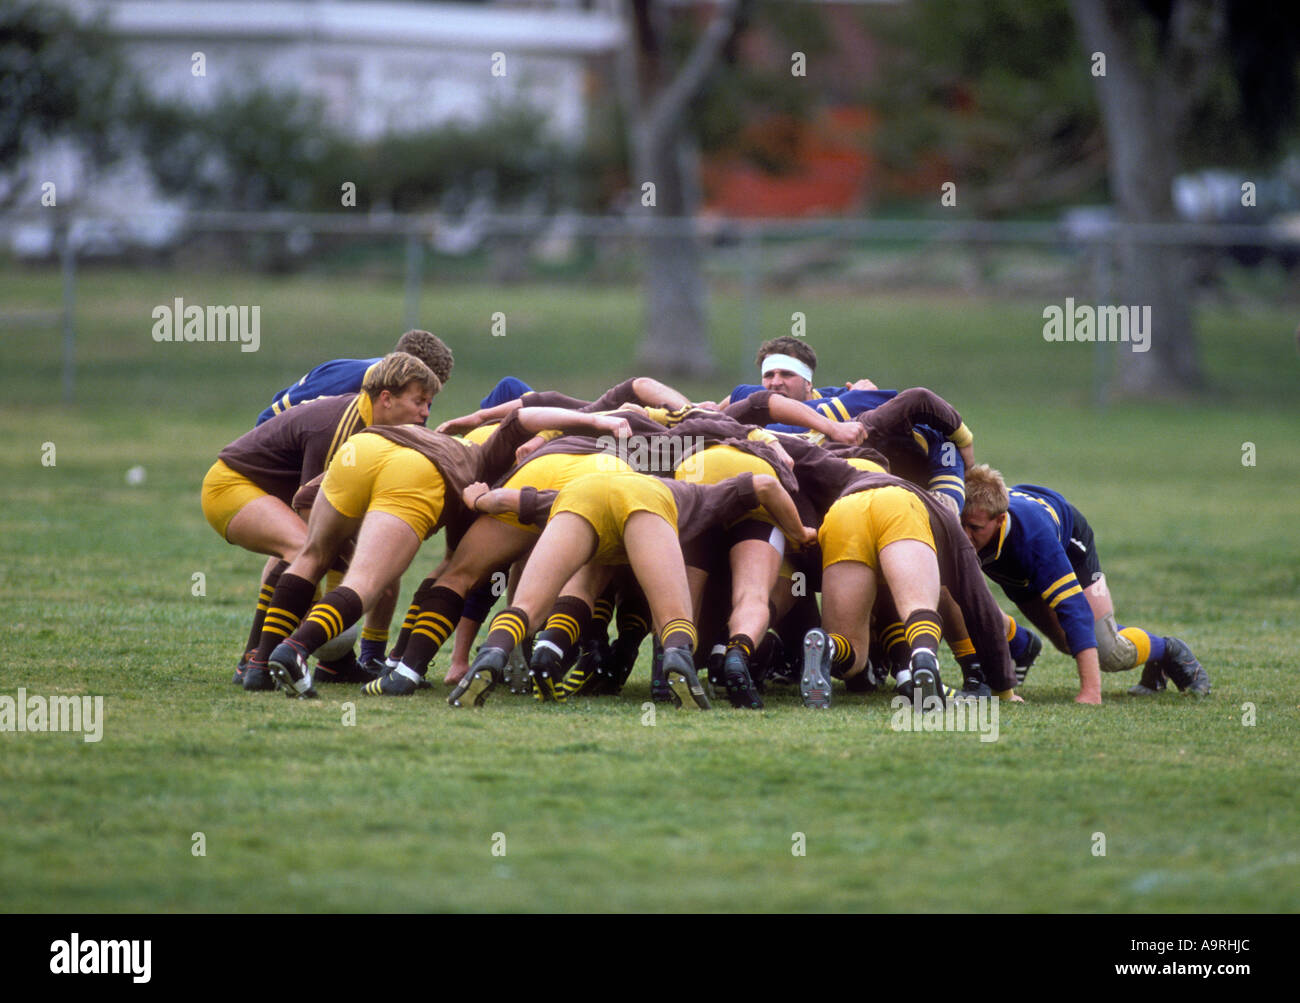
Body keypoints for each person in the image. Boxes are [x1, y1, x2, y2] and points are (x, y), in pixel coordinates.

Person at [261, 409, 636, 697]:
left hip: (365, 446)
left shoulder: (503, 437)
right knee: (589, 577)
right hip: (594, 480)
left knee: (451, 572)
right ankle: (301, 650)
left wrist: (591, 418)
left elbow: (523, 411)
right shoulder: (486, 458)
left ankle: (260, 662)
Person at [447, 469, 817, 710]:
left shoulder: (587, 480)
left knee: (528, 606)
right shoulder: (693, 491)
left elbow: (505, 500)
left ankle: (491, 655)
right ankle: (678, 665)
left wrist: (476, 498)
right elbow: (765, 485)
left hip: (580, 493)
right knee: (672, 614)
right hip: (647, 500)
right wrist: (799, 532)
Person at [201, 352, 440, 689]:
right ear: (386, 398)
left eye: (429, 403)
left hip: (272, 495)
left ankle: (337, 665)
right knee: (305, 549)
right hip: (231, 486)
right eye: (419, 402)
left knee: (329, 554)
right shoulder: (339, 426)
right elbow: (312, 508)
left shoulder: (378, 427)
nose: (426, 413)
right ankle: (253, 662)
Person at [960, 465, 1209, 704]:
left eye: (975, 528)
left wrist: (1090, 693)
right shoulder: (959, 517)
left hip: (1068, 545)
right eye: (961, 523)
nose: (964, 534)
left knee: (1107, 650)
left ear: (1001, 520)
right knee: (959, 598)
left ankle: (1167, 650)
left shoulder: (1034, 540)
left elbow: (1074, 610)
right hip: (1016, 566)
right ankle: (1021, 645)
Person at [256, 330, 453, 425]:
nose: (426, 410)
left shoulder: (413, 397)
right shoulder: (341, 380)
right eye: (421, 398)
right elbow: (268, 421)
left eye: (429, 400)